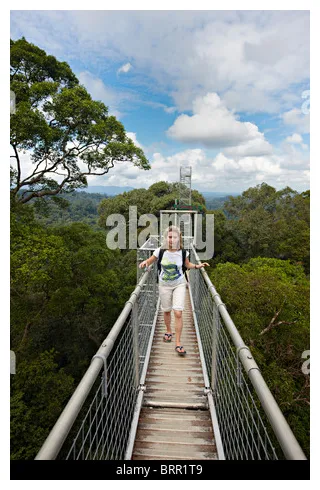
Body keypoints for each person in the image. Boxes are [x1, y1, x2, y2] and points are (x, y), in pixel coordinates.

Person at [139, 225, 209, 355]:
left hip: (179, 284)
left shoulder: (183, 253)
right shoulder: (160, 251)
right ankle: (168, 330)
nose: (172, 239)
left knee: (178, 312)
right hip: (164, 285)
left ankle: (178, 342)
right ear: (166, 238)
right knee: (166, 311)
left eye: (175, 237)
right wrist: (145, 263)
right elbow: (150, 260)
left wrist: (198, 266)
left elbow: (187, 265)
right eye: (170, 237)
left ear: (179, 239)